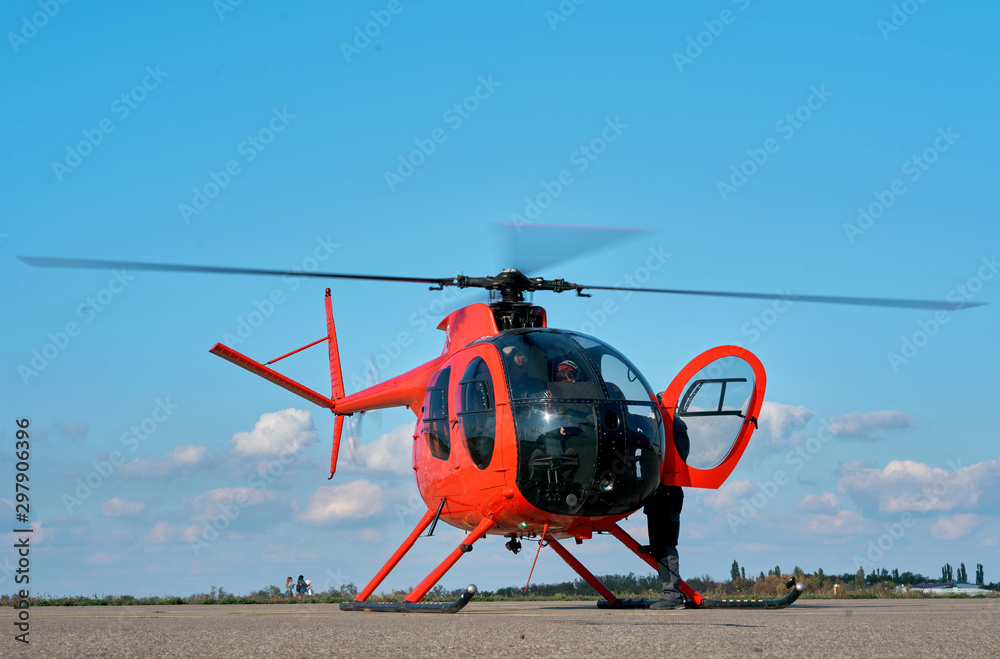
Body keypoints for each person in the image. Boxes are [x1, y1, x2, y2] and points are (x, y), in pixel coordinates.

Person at [643, 414, 690, 610]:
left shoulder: (673, 427)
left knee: (665, 544)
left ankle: (672, 595)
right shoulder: (667, 429)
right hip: (659, 492)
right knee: (659, 545)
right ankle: (671, 593)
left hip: (667, 492)